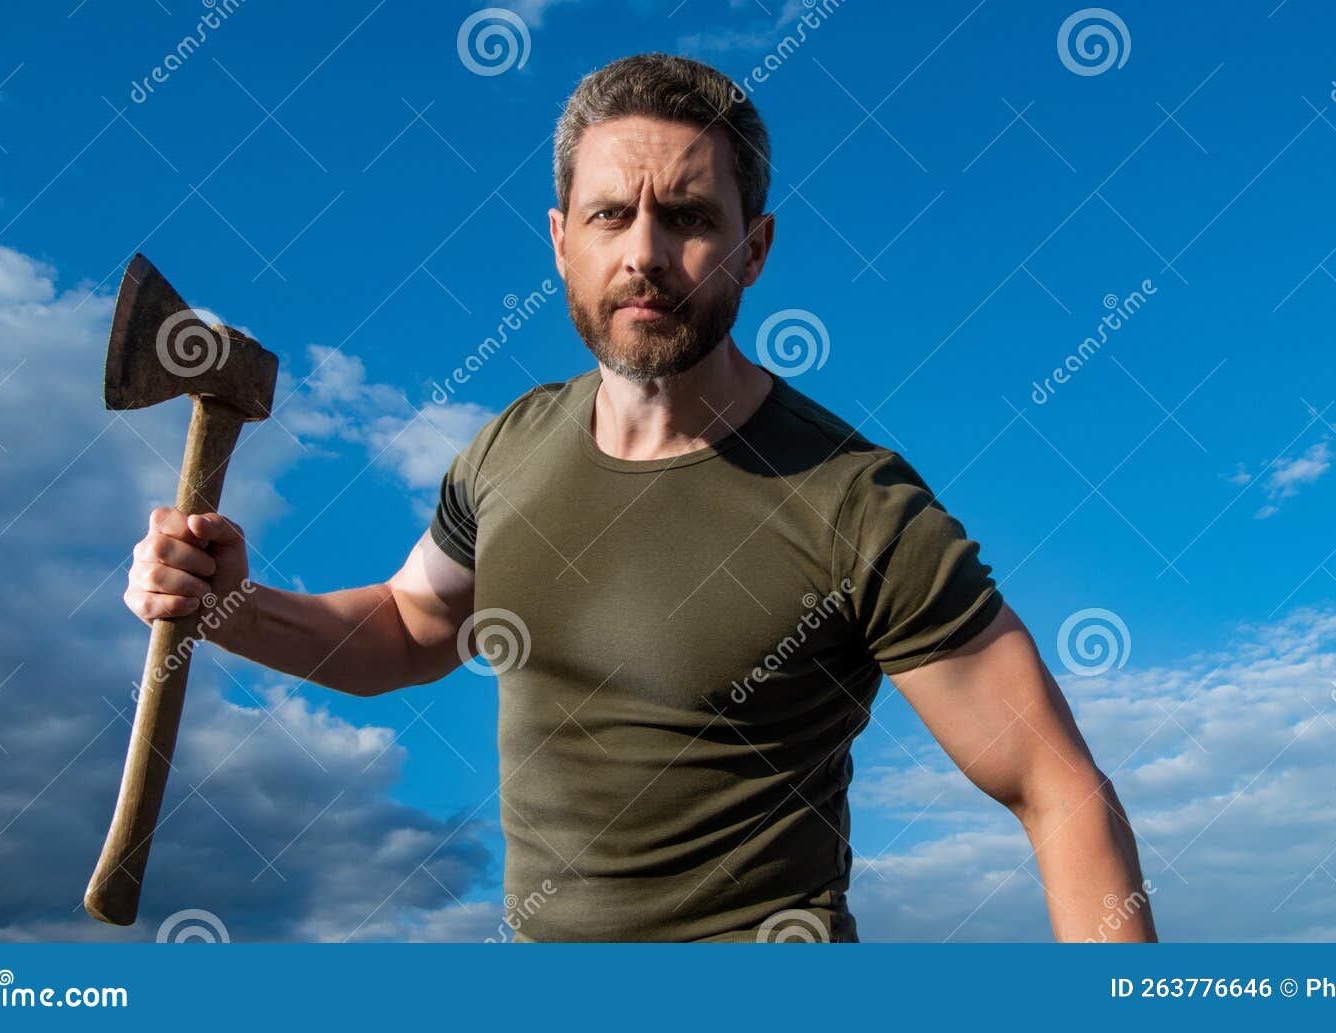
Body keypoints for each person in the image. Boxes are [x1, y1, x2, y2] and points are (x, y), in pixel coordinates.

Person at [124, 53, 1155, 943]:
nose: (645, 255)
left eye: (690, 218)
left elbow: (1055, 787)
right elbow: (407, 629)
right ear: (560, 238)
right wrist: (227, 606)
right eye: (611, 214)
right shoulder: (507, 449)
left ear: (756, 249)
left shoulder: (857, 503)